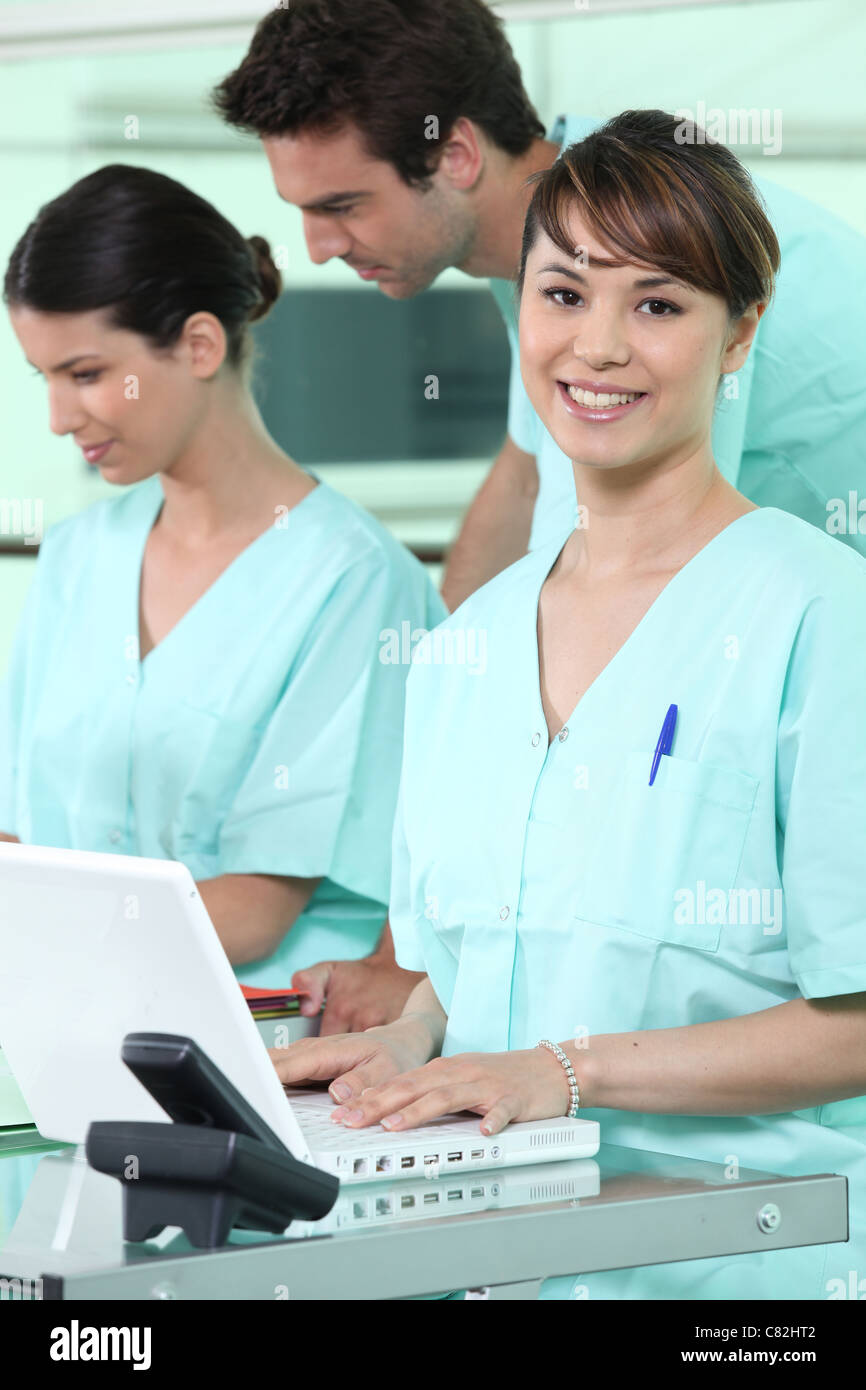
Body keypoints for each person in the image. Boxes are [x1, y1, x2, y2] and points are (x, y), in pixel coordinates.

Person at [269, 111, 866, 1300]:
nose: (596, 347)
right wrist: (401, 1048)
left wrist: (566, 1069)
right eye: (562, 294)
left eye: (656, 304)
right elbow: (478, 960)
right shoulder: (466, 645)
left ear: (737, 334)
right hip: (491, 1252)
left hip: (737, 1277)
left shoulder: (817, 614)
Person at [212, 0, 866, 610]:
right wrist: (442, 672)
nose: (318, 248)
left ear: (457, 155)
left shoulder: (657, 238)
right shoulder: (550, 231)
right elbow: (522, 480)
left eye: (341, 206)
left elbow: (620, 556)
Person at [0, 164, 445, 1029]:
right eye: (43, 376)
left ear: (200, 345)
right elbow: (20, 837)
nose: (59, 415)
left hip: (259, 1047)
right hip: (58, 1028)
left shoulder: (354, 582)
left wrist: (48, 942)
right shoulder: (78, 557)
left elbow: (255, 902)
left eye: (86, 373)